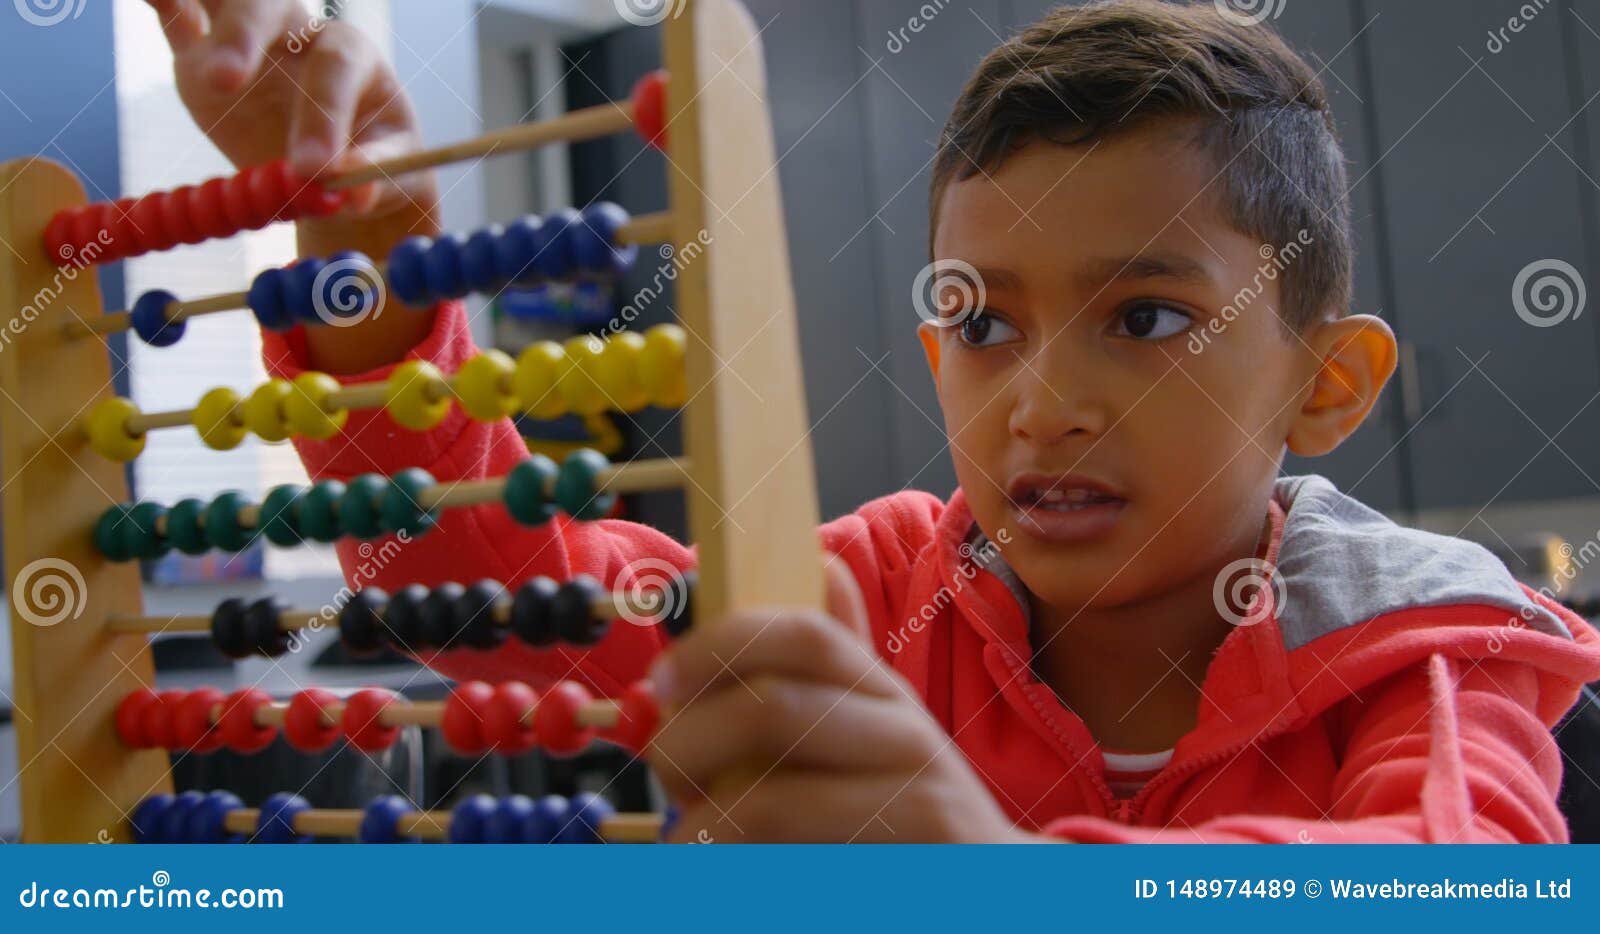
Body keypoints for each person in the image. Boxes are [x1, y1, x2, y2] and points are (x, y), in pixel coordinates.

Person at [146, 0, 1600, 842]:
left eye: (1148, 316)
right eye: (984, 323)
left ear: (1324, 381)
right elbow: (488, 599)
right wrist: (371, 290)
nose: (1045, 400)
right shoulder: (875, 593)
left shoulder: (1423, 654)